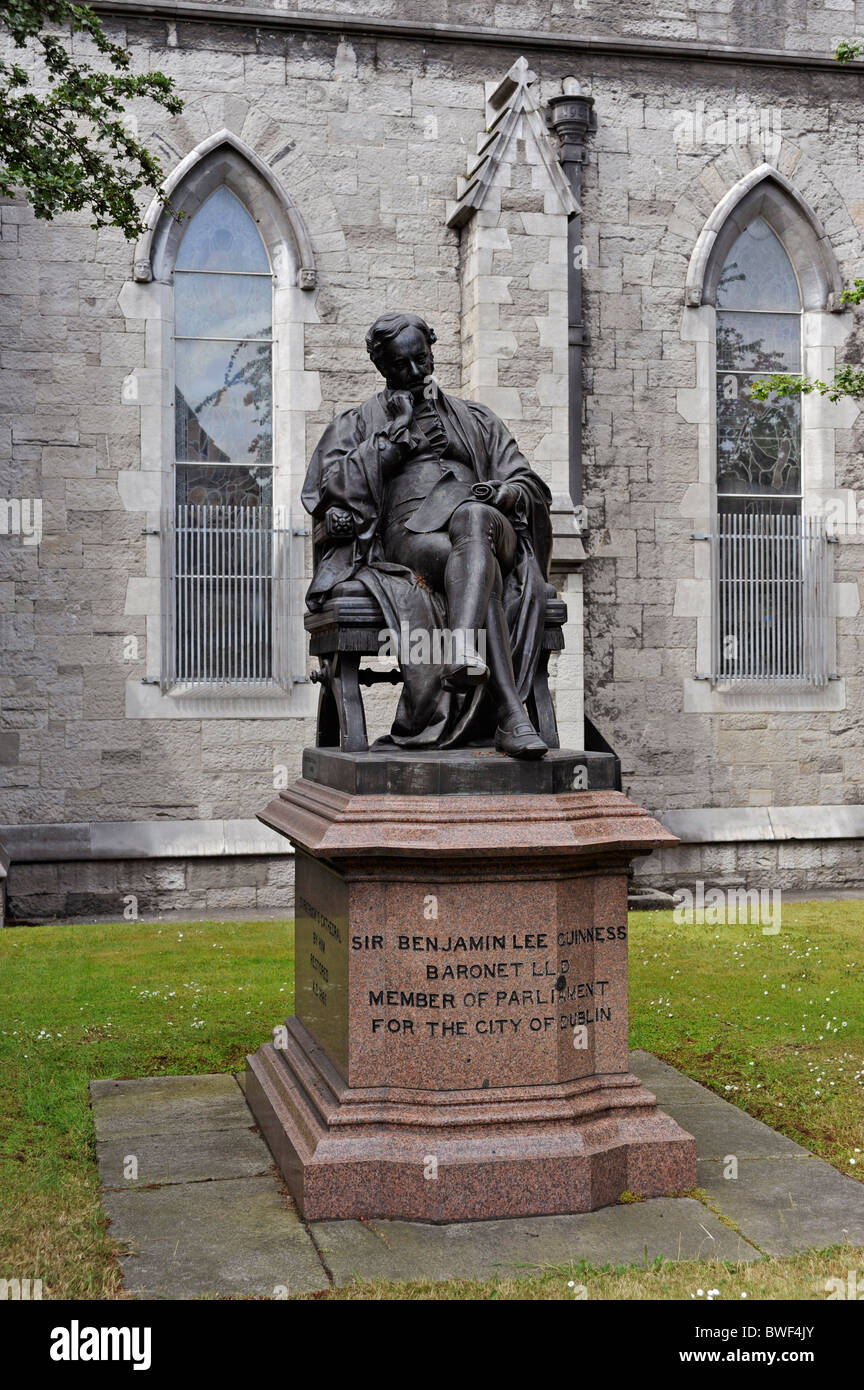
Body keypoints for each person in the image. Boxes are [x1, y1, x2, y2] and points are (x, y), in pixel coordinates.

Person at [302, 312, 555, 758]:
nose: (417, 373)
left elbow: (529, 483)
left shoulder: (476, 418)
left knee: (475, 518)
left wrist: (506, 491)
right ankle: (512, 716)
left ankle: (461, 649)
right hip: (412, 541)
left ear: (432, 350)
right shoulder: (359, 423)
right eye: (402, 366)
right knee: (483, 567)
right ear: (383, 368)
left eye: (422, 359)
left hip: (489, 523)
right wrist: (393, 440)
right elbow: (329, 489)